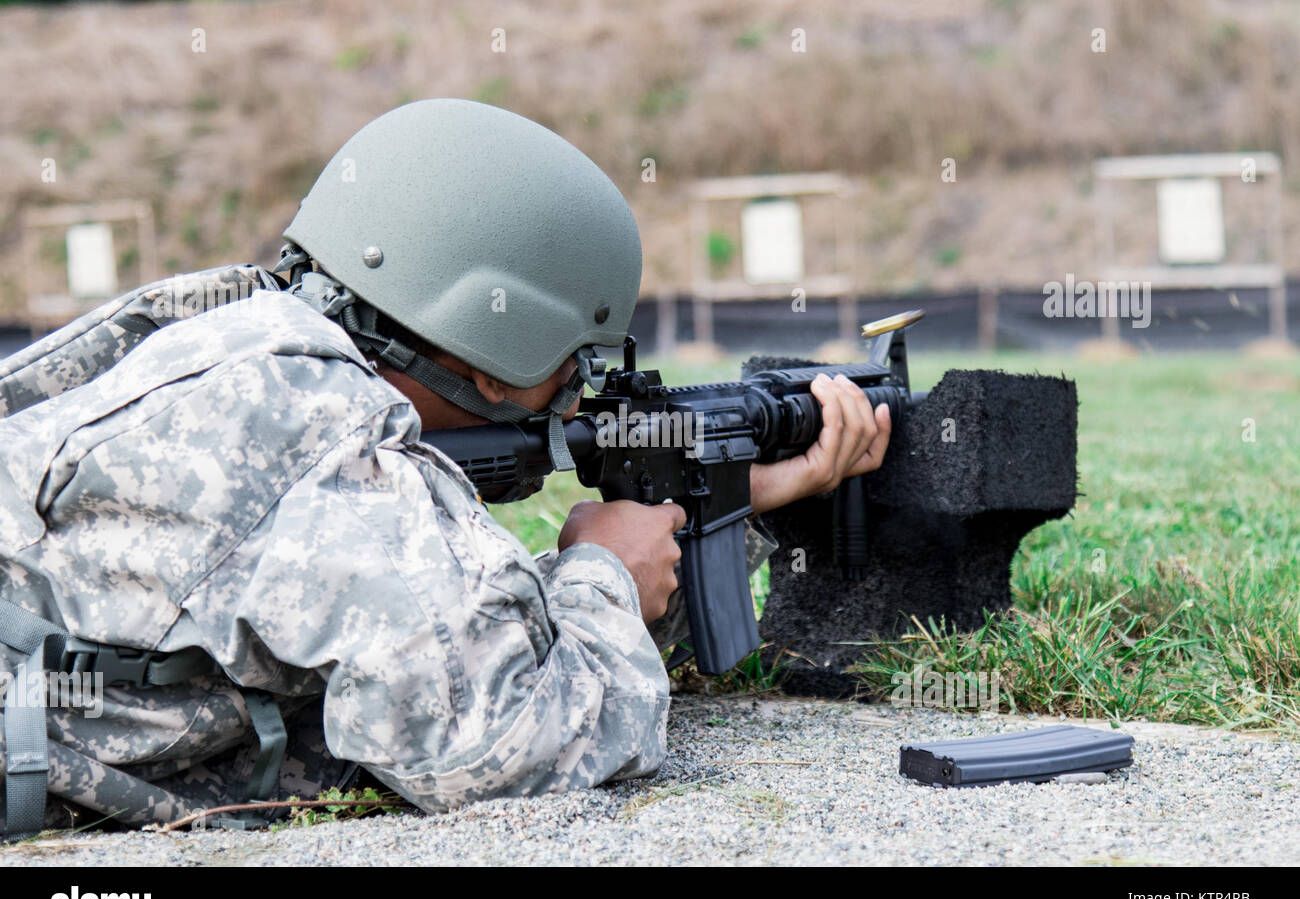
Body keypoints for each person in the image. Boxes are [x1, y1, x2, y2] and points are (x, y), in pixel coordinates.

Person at [0, 99, 890, 837]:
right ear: (493, 347)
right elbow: (502, 754)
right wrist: (603, 577)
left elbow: (415, 636)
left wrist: (747, 502)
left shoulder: (231, 330)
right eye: (574, 364)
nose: (578, 400)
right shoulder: (333, 440)